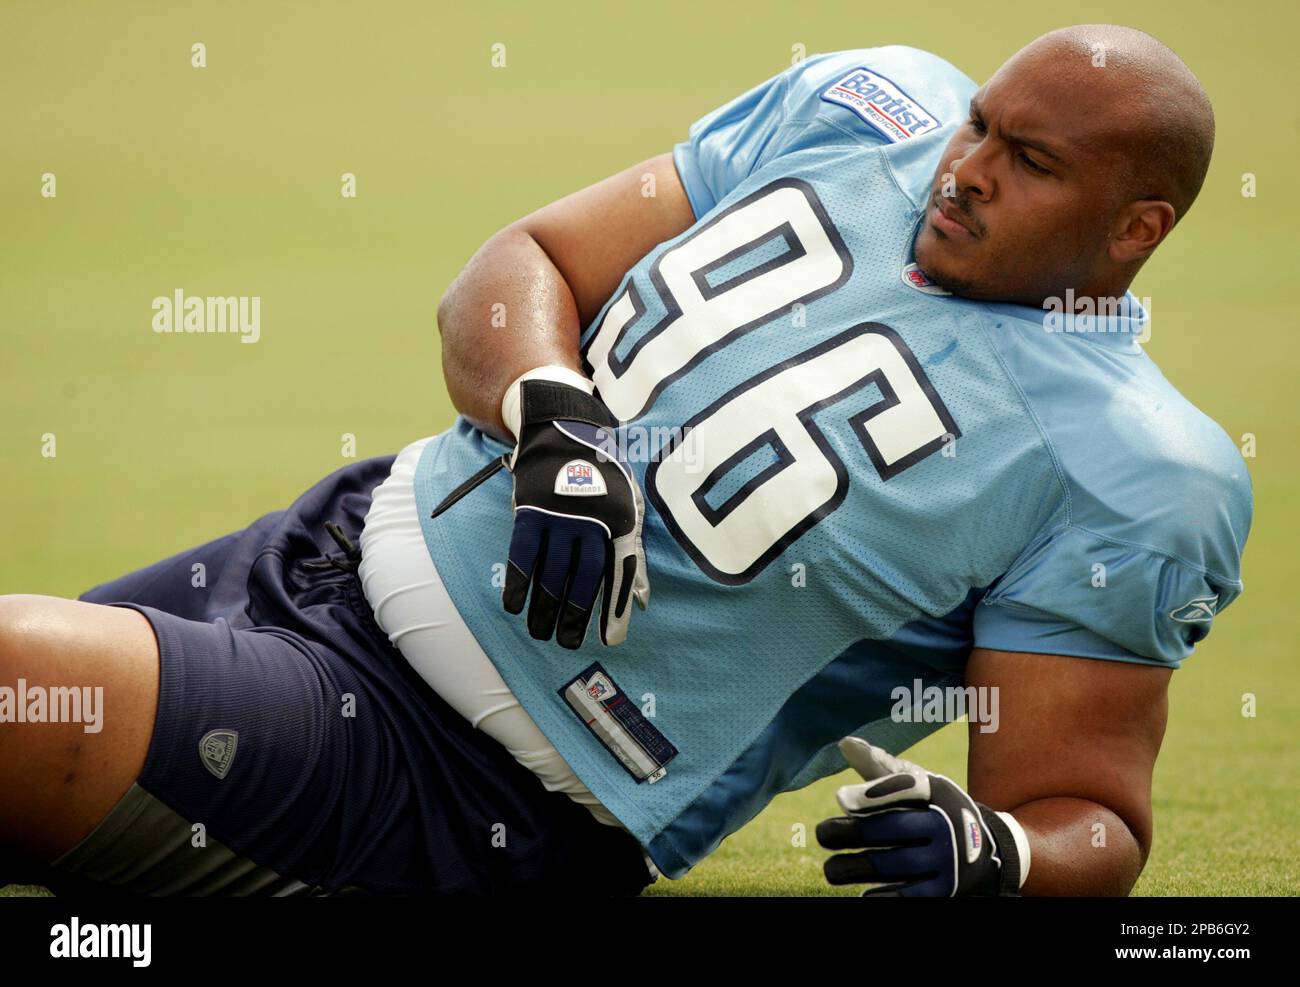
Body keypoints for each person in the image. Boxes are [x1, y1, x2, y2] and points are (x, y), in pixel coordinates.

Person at [0, 24, 1250, 897]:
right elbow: (522, 264)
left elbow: (1086, 812)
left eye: (1028, 164)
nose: (965, 170)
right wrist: (556, 416)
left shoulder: (1134, 468)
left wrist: (1006, 859)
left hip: (452, 777)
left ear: (1137, 226)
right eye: (982, 123)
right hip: (322, 547)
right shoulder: (863, 104)